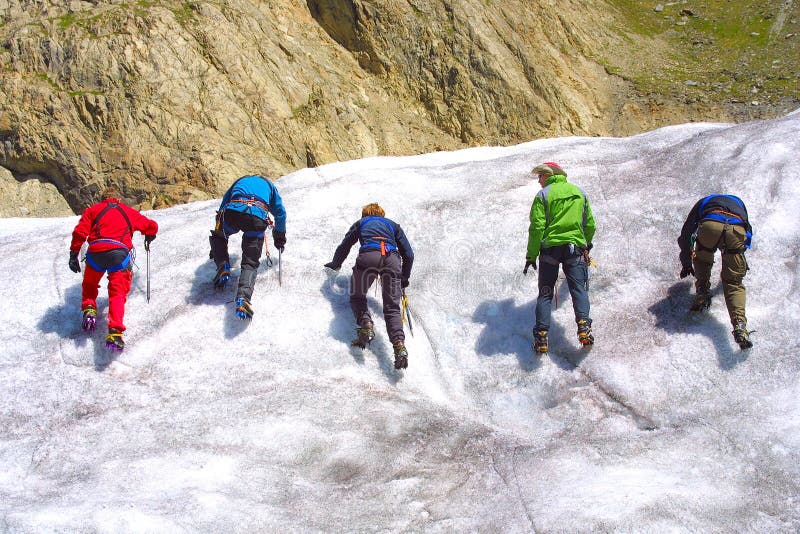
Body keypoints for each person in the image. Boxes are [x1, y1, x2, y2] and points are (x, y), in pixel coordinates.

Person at [324, 203, 414, 369]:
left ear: (365, 214)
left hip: (369, 257)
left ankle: (366, 325)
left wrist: (336, 264)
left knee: (358, 296)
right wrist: (404, 277)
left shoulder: (362, 223)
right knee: (392, 308)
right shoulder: (393, 225)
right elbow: (408, 254)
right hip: (392, 260)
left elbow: (345, 245)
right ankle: (399, 345)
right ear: (382, 214)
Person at [69, 186, 158, 351]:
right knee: (117, 293)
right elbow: (151, 225)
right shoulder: (127, 211)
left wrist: (73, 254)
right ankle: (115, 332)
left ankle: (89, 308)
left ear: (103, 198)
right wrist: (150, 234)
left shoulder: (93, 210)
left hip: (95, 253)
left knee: (89, 284)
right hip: (119, 255)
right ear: (118, 199)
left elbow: (80, 232)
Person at [525, 162, 596, 354]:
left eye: (540, 176)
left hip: (550, 250)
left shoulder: (543, 195)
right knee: (578, 288)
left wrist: (531, 255)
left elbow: (537, 228)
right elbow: (589, 224)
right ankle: (584, 326)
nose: (539, 180)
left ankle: (541, 337)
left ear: (549, 175)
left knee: (546, 293)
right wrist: (586, 245)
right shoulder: (579, 192)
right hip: (575, 249)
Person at [678, 194, 753, 349]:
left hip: (710, 225)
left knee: (703, 258)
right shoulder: (739, 204)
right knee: (734, 282)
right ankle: (739, 325)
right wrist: (737, 257)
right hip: (736, 229)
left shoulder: (704, 202)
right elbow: (748, 233)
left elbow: (686, 233)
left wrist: (686, 262)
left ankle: (703, 292)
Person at [210, 174, 286, 319]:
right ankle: (243, 299)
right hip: (256, 217)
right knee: (250, 263)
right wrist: (279, 238)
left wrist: (216, 249)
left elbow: (222, 209)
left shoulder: (239, 181)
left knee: (219, 236)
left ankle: (223, 264)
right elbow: (280, 213)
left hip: (232, 212)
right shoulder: (269, 185)